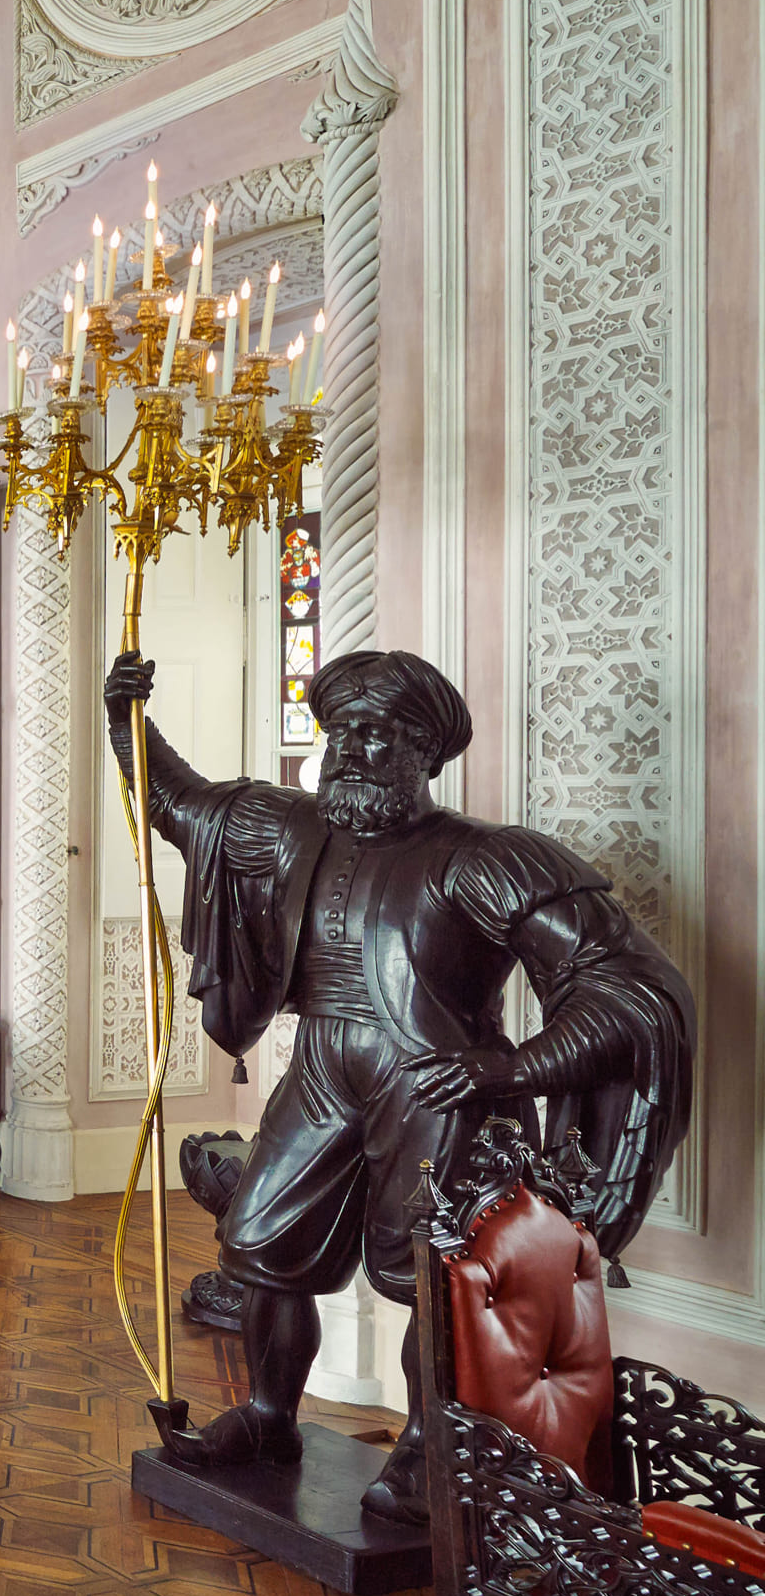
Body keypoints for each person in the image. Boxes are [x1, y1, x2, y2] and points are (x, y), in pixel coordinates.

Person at [105, 645, 693, 1520]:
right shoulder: (288, 826)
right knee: (263, 1242)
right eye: (340, 728)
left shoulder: (487, 858)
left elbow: (630, 989)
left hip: (435, 1087)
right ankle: (269, 1417)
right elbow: (179, 803)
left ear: (427, 750)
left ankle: (430, 1447)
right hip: (321, 1068)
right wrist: (125, 722)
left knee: (429, 1274)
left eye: (376, 732)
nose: (349, 746)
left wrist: (514, 1067)